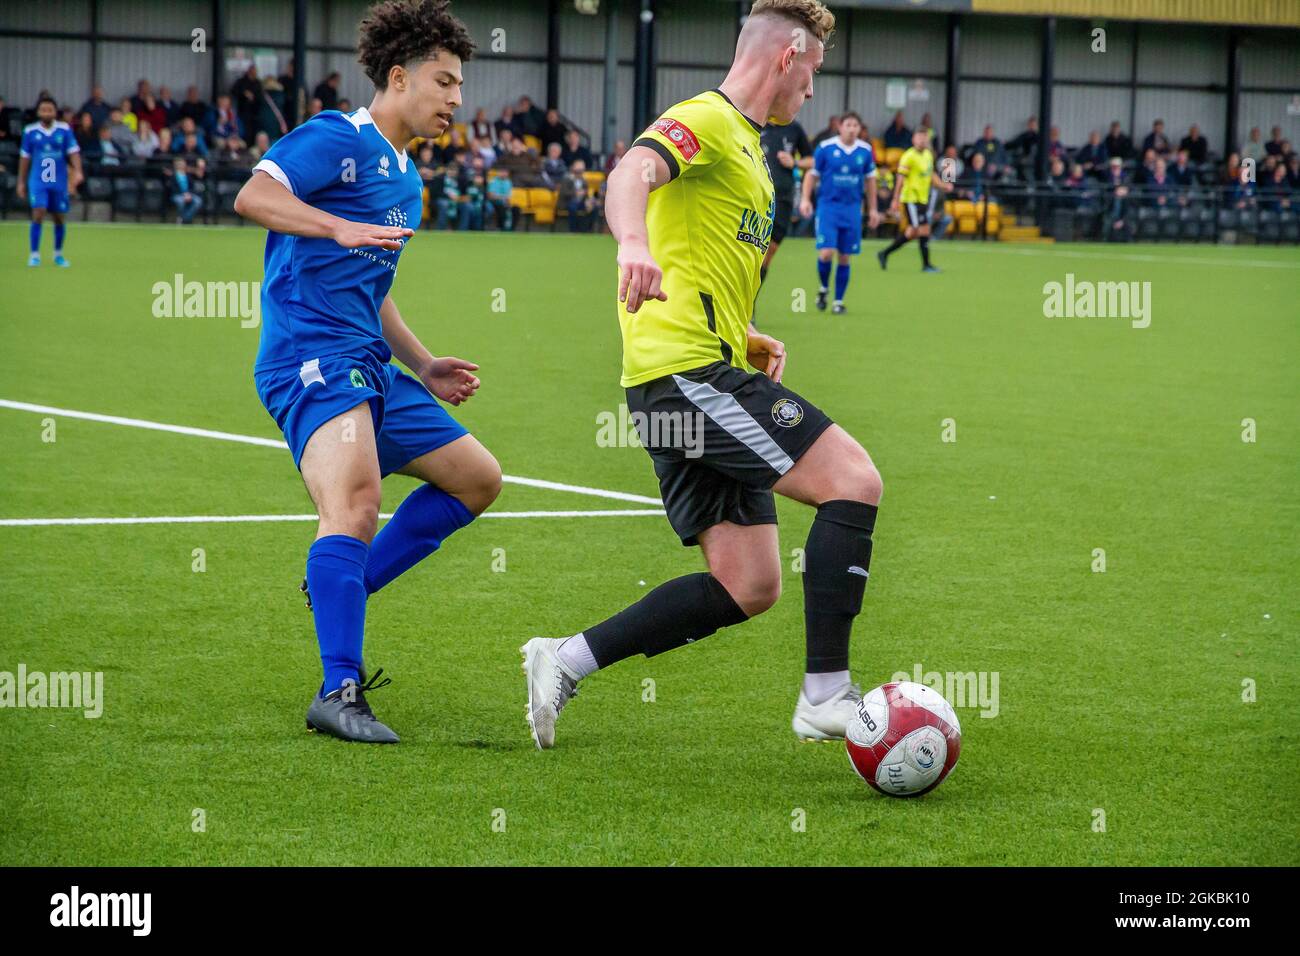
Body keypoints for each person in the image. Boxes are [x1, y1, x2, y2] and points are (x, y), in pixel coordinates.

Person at [521, 0, 887, 751]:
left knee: (750, 585)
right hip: (681, 379)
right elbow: (632, 171)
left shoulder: (754, 154)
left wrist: (742, 331)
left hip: (691, 373)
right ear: (788, 57)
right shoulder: (710, 119)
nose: (814, 91)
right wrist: (630, 241)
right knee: (854, 480)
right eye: (813, 71)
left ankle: (564, 660)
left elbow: (697, 255)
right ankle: (826, 694)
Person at [232, 0, 501, 744]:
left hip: (371, 366)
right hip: (309, 360)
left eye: (458, 85)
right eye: (443, 82)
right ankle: (338, 690)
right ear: (397, 76)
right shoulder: (336, 138)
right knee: (355, 502)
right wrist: (335, 224)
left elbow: (371, 290)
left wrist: (424, 362)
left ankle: (341, 582)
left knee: (477, 479)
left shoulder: (408, 177)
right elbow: (254, 195)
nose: (455, 99)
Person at [799, 111, 878, 314]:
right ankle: (824, 288)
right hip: (828, 207)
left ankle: (838, 301)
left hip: (852, 209)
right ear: (840, 127)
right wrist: (805, 199)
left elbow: (870, 181)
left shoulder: (865, 150)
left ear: (860, 129)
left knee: (845, 256)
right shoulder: (825, 148)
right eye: (848, 125)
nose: (852, 129)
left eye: (855, 125)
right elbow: (812, 175)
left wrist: (874, 209)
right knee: (826, 253)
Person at [18, 96, 82, 268]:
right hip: (38, 180)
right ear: (38, 112)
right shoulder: (30, 131)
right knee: (38, 213)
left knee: (59, 217)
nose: (46, 112)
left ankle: (58, 254)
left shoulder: (64, 129)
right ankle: (34, 254)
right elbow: (25, 158)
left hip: (58, 181)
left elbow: (73, 152)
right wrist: (21, 182)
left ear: (55, 112)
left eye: (50, 109)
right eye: (43, 109)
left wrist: (78, 171)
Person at [878, 127, 953, 273]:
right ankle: (926, 265)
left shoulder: (928, 155)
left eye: (925, 138)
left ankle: (884, 253)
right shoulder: (908, 156)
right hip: (911, 199)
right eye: (919, 137)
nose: (922, 140)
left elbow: (931, 175)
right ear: (913, 139)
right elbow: (900, 178)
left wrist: (944, 185)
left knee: (912, 233)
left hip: (922, 199)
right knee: (924, 229)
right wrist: (895, 199)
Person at [758, 117, 812, 283]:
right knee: (755, 249)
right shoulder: (757, 123)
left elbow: (812, 161)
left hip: (783, 198)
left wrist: (794, 162)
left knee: (770, 251)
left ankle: (752, 298)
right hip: (758, 196)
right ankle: (747, 301)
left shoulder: (794, 128)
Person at [170, 157, 203, 223]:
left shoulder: (188, 175)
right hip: (178, 195)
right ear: (176, 165)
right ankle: (183, 219)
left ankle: (185, 219)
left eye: (182, 164)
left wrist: (189, 194)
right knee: (181, 202)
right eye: (179, 164)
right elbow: (172, 188)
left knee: (198, 201)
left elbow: (192, 187)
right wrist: (183, 195)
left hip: (189, 194)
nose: (181, 165)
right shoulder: (173, 176)